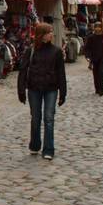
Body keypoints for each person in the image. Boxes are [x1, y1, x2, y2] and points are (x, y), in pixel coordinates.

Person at [17, 23, 66, 160]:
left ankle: (48, 148)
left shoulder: (56, 51)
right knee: (36, 118)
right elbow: (23, 70)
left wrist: (63, 92)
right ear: (41, 35)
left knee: (49, 118)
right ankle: (35, 144)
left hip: (51, 88)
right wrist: (21, 90)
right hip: (34, 88)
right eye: (49, 32)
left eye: (51, 32)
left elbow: (61, 73)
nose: (52, 34)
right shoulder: (30, 51)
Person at [82, 21, 103, 96]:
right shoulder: (91, 38)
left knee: (101, 72)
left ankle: (101, 89)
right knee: (95, 73)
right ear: (94, 28)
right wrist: (88, 57)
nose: (97, 28)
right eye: (96, 27)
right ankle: (97, 88)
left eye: (99, 27)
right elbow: (87, 48)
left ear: (101, 28)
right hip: (94, 58)